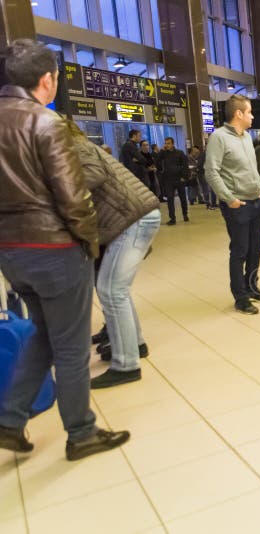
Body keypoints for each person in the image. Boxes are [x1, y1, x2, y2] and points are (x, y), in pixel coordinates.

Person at [0, 39, 129, 460]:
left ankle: (10, 419)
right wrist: (90, 243)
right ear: (46, 80)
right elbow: (74, 198)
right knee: (71, 345)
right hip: (54, 248)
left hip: (11, 253)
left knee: (43, 335)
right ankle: (81, 433)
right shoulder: (46, 123)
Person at [67, 121, 160, 389]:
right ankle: (135, 344)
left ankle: (126, 364)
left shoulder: (75, 147)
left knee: (111, 290)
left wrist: (60, 188)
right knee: (115, 289)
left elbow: (93, 176)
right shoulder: (83, 145)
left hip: (130, 219)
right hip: (135, 216)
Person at [204, 94, 260, 315]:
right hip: (237, 204)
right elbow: (211, 172)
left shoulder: (246, 138)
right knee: (240, 250)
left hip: (255, 201)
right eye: (249, 112)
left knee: (256, 247)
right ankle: (240, 296)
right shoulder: (219, 137)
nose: (252, 116)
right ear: (238, 114)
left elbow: (252, 168)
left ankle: (252, 287)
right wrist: (228, 198)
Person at [157, 137, 190, 225]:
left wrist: (184, 177)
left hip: (179, 179)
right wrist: (161, 151)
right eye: (165, 143)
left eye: (168, 143)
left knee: (183, 198)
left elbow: (185, 165)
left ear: (173, 144)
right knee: (170, 199)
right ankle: (172, 218)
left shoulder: (180, 153)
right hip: (168, 180)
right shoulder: (163, 154)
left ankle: (185, 214)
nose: (166, 145)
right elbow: (157, 162)